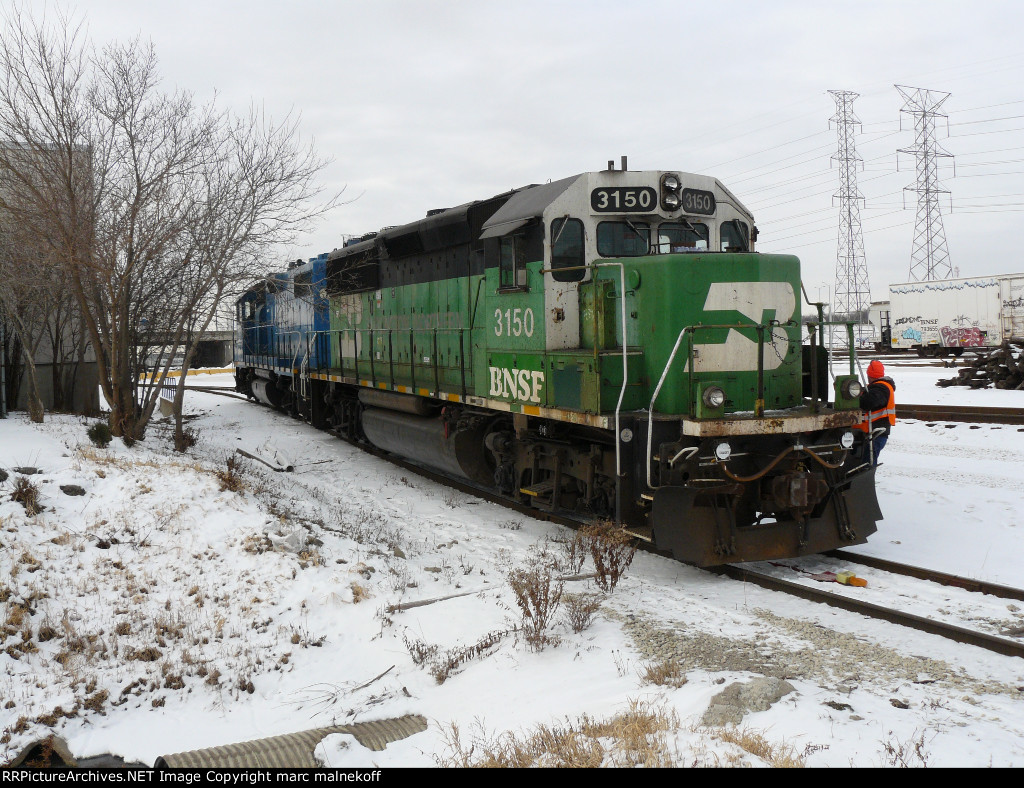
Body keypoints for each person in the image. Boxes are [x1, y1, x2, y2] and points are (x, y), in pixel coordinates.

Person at [855, 359, 895, 465]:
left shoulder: (881, 388)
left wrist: (854, 398)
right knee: (866, 461)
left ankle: (865, 480)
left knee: (868, 463)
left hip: (876, 434)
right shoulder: (880, 387)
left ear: (869, 375)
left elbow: (868, 402)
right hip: (874, 433)